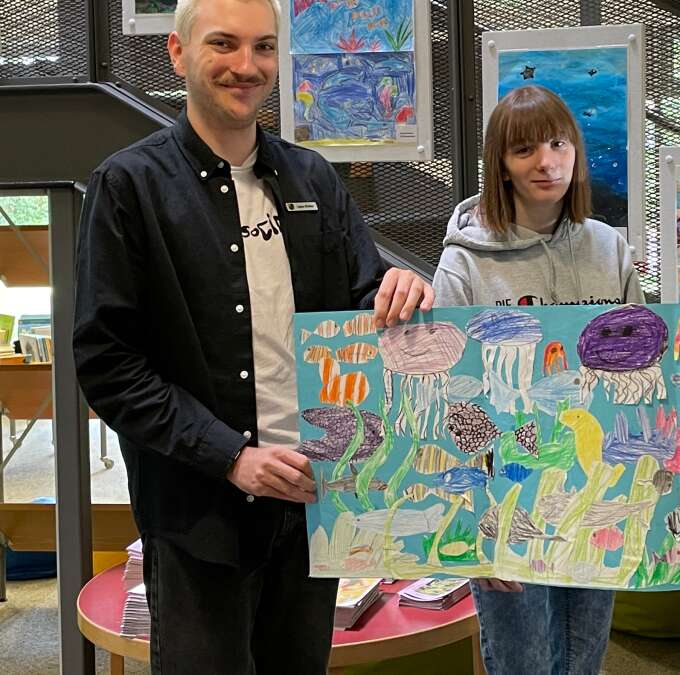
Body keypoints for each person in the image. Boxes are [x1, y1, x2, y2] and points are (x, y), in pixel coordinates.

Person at [72, 0, 433, 671]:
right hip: (196, 521)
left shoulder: (315, 180)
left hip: (312, 514)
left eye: (264, 48)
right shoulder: (128, 186)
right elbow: (108, 365)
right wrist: (233, 456)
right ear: (178, 54)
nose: (247, 66)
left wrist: (399, 291)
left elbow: (363, 300)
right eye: (225, 45)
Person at [432, 84, 642, 674]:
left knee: (584, 660)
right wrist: (475, 526)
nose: (546, 162)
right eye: (524, 150)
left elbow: (640, 372)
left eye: (558, 144)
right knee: (523, 663)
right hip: (506, 498)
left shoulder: (610, 248)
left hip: (595, 490)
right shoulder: (465, 262)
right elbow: (452, 395)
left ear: (575, 151)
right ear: (499, 163)